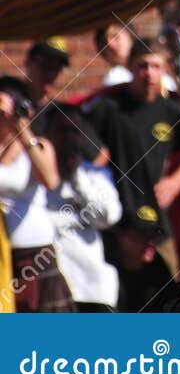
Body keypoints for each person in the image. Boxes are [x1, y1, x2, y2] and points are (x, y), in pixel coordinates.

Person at [83, 41, 180, 311]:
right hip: (117, 222)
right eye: (142, 66)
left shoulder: (170, 111)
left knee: (168, 296)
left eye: (155, 66)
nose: (149, 73)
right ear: (130, 68)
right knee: (115, 301)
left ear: (164, 70)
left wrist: (176, 180)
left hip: (157, 222)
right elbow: (81, 145)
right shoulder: (109, 107)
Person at [0, 76, 66, 311]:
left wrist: (22, 128)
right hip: (2, 255)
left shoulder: (39, 145)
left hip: (34, 251)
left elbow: (50, 180)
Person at [44, 112, 121, 312]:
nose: (69, 137)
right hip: (52, 288)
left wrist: (77, 177)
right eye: (62, 131)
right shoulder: (36, 180)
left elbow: (109, 216)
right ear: (48, 135)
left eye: (75, 131)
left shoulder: (95, 175)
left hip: (92, 289)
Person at [95, 23, 135, 87]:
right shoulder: (114, 79)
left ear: (130, 36)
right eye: (104, 42)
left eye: (115, 36)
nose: (110, 44)